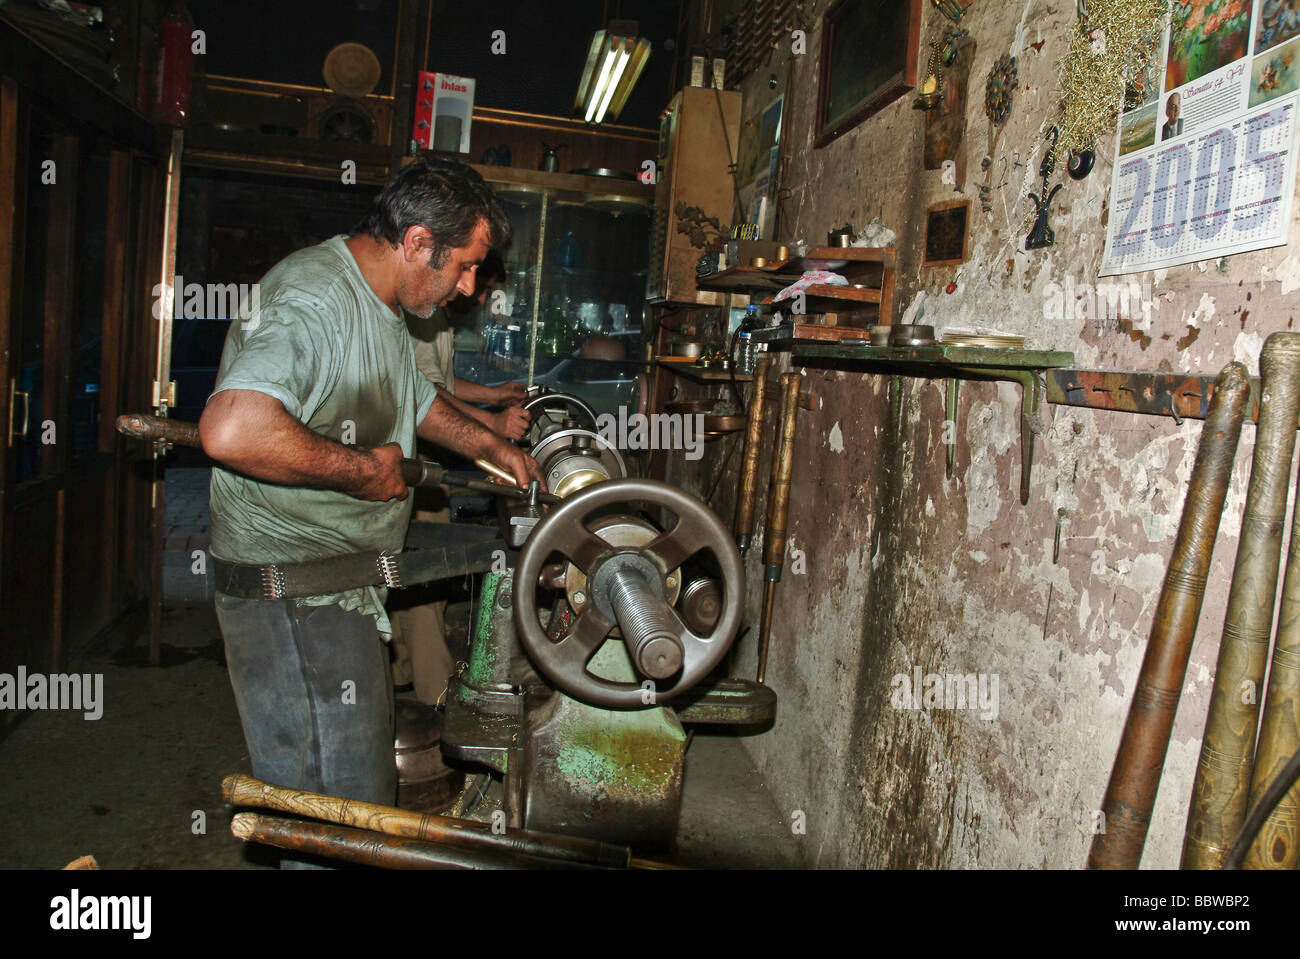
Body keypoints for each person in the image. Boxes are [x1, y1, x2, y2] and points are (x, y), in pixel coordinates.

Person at [198, 157, 542, 863]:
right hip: (291, 591)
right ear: (418, 243)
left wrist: (492, 451)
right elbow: (230, 427)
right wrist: (361, 473)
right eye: (466, 267)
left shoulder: (384, 306)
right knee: (331, 815)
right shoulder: (316, 298)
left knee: (357, 807)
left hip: (337, 584)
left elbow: (413, 402)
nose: (470, 286)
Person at [390, 250, 526, 704]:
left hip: (432, 460)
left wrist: (491, 395)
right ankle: (439, 694)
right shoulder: (423, 312)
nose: (477, 294)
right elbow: (423, 396)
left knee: (410, 577)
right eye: (476, 281)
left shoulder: (440, 315)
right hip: (415, 461)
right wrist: (492, 428)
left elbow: (442, 382)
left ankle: (401, 671)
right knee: (424, 579)